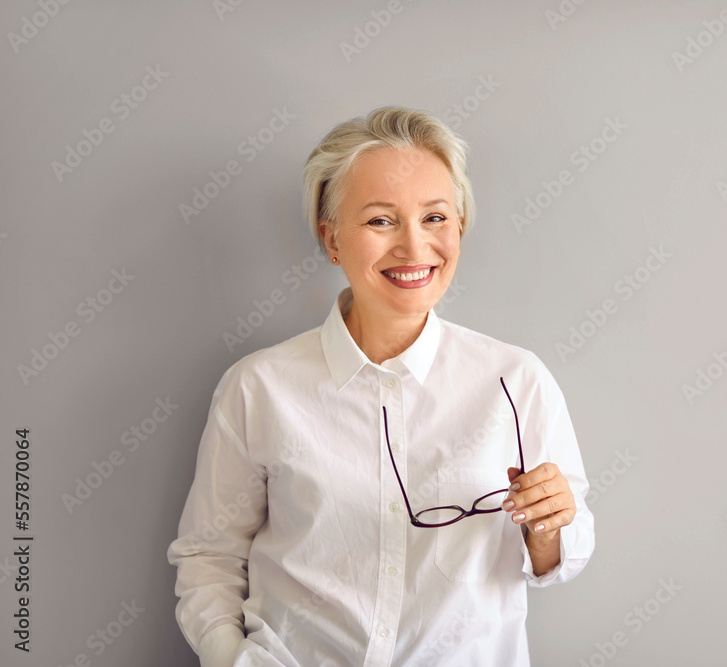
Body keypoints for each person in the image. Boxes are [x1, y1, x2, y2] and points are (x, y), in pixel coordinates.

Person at [167, 106, 595, 666]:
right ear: (332, 239)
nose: (415, 250)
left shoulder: (516, 381)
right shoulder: (258, 388)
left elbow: (564, 552)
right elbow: (209, 557)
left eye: (435, 218)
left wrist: (549, 528)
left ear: (460, 226)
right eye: (380, 221)